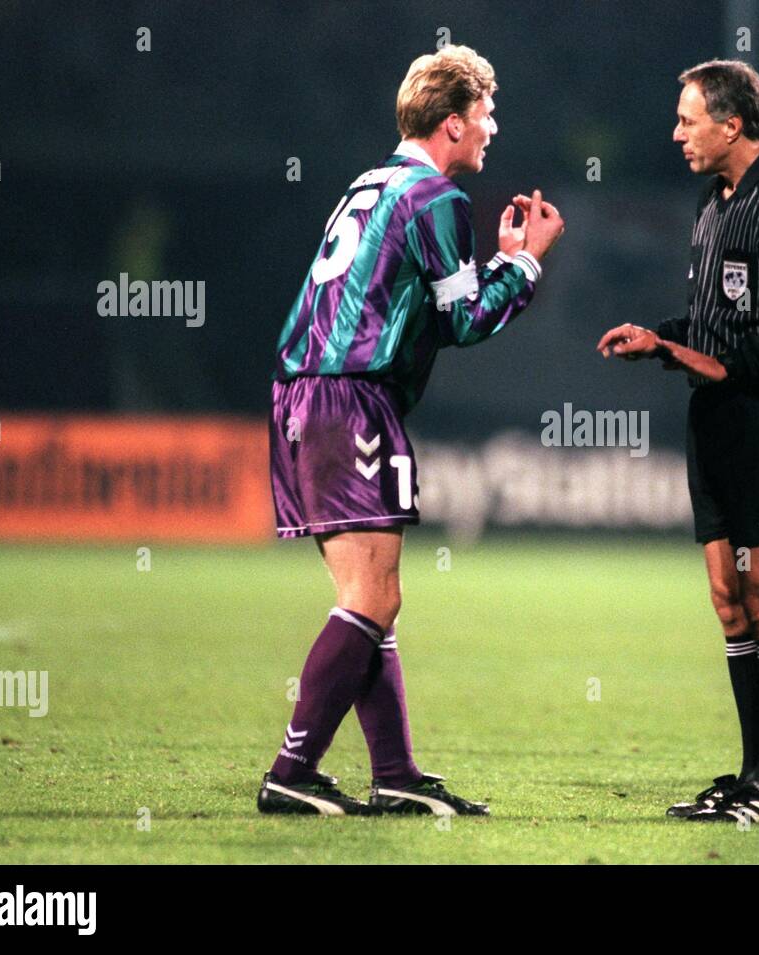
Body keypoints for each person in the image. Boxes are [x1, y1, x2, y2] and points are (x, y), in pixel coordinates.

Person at [258, 45, 564, 816]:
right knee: (374, 596)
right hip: (351, 398)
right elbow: (462, 322)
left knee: (373, 600)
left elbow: (428, 297)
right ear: (454, 122)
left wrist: (494, 260)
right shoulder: (434, 196)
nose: (494, 128)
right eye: (487, 114)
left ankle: (394, 771)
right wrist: (525, 268)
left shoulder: (371, 183)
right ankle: (290, 772)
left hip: (304, 393)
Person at [597, 60, 759, 823]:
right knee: (730, 602)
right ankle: (747, 777)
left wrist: (711, 361)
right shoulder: (713, 203)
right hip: (715, 425)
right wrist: (663, 338)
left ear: (732, 123)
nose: (676, 133)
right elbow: (713, 325)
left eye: (687, 118)